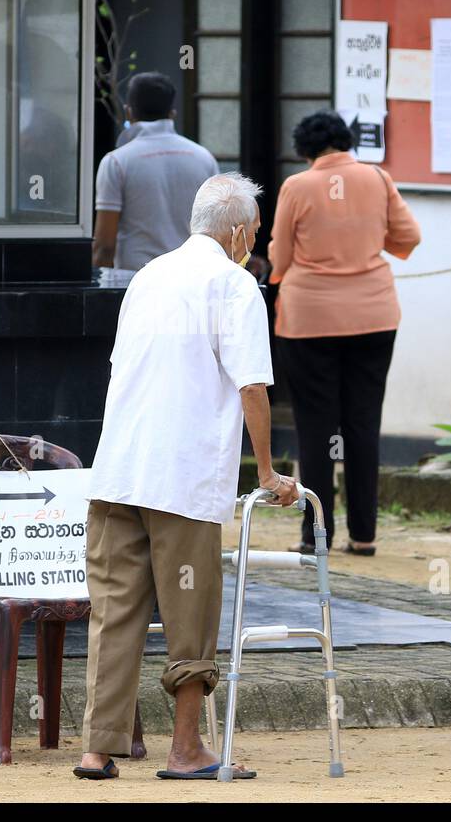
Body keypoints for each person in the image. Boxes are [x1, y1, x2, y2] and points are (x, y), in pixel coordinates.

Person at [76, 172, 298, 781]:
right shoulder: (234, 284)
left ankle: (97, 750)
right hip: (183, 479)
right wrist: (268, 471)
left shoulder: (147, 276)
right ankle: (185, 750)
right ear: (239, 232)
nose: (255, 242)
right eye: (255, 232)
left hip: (117, 472)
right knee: (190, 617)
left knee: (114, 615)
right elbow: (252, 386)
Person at [268, 111, 421, 556]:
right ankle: (364, 535)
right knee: (363, 422)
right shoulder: (378, 178)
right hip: (374, 316)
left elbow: (280, 258)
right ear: (346, 141)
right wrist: (367, 242)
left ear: (304, 149)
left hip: (309, 320)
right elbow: (408, 237)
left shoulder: (296, 186)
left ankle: (316, 535)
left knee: (315, 427)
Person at [91, 72, 218, 272]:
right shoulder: (204, 158)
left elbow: (105, 246)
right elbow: (216, 231)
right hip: (191, 276)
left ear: (128, 112)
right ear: (172, 114)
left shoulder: (116, 162)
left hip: (136, 278)